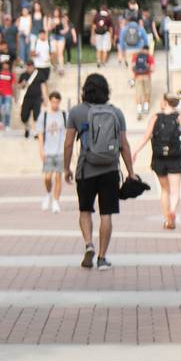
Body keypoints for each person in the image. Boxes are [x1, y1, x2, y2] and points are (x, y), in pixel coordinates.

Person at [62, 73, 138, 271]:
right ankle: (102, 258)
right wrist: (131, 171)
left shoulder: (76, 112)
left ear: (84, 91)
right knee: (106, 214)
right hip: (110, 169)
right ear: (106, 91)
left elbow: (69, 143)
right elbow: (124, 145)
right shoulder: (116, 112)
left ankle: (89, 244)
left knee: (85, 211)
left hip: (86, 169)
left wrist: (66, 168)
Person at [137, 93, 181, 230]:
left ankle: (167, 217)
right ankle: (172, 211)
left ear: (165, 102)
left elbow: (146, 136)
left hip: (159, 158)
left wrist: (134, 151)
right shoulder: (179, 117)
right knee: (175, 190)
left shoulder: (156, 117)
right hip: (175, 157)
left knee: (165, 190)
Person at [37, 91, 67, 213]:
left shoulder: (64, 115)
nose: (55, 104)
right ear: (50, 101)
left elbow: (68, 132)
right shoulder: (44, 115)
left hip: (60, 150)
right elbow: (40, 134)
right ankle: (48, 193)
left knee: (59, 176)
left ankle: (56, 200)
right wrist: (41, 150)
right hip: (48, 150)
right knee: (47, 177)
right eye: (53, 101)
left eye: (57, 101)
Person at [0, 56, 17, 131]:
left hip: (8, 94)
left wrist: (14, 96)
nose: (6, 65)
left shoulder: (11, 75)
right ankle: (0, 122)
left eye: (7, 64)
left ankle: (7, 125)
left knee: (7, 110)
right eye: (4, 64)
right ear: (2, 65)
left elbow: (13, 86)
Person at [131, 46, 154, 117]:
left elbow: (132, 67)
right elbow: (152, 68)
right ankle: (146, 107)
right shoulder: (150, 57)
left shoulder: (136, 56)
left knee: (138, 93)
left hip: (138, 77)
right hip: (146, 77)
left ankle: (139, 109)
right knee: (147, 92)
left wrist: (132, 79)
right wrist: (148, 67)